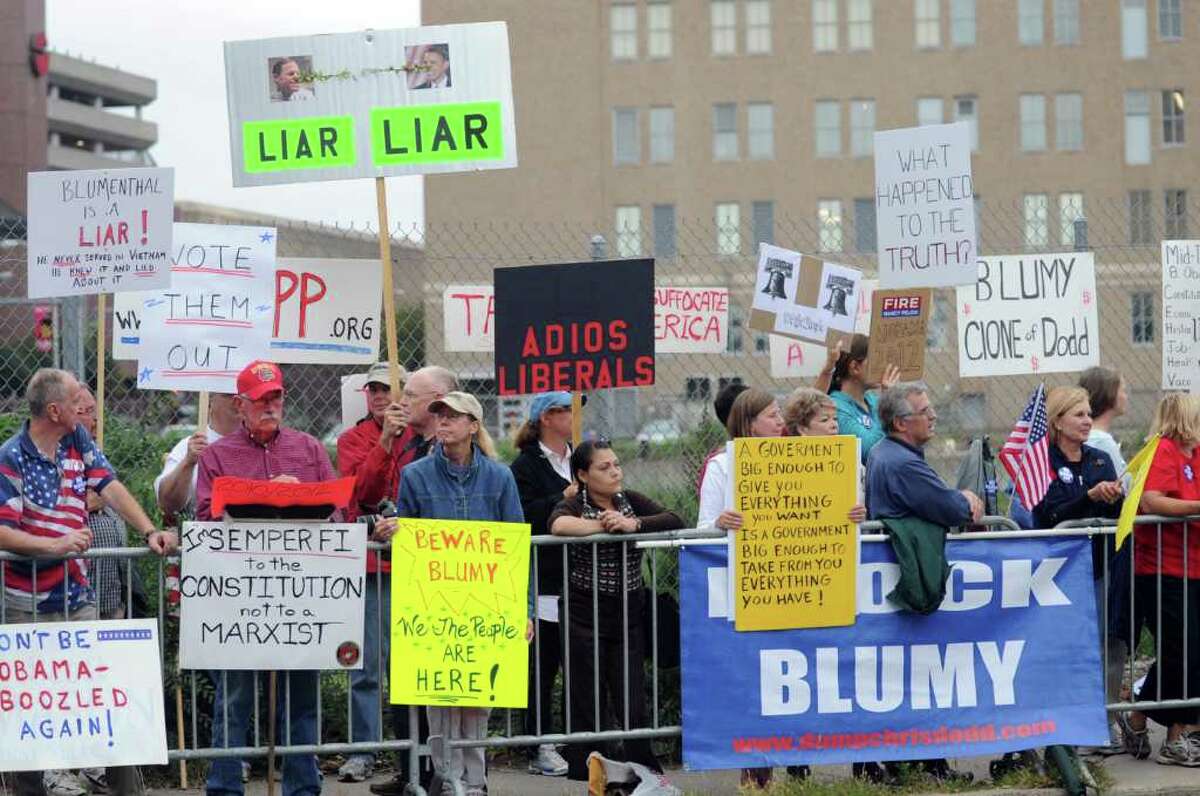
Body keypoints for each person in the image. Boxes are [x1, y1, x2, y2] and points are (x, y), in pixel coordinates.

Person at [0, 368, 177, 796]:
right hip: (25, 603)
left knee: (104, 700)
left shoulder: (78, 441)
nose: (85, 405)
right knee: (29, 710)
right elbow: (2, 530)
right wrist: (54, 543)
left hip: (78, 596)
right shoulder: (11, 457)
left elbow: (110, 486)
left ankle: (124, 789)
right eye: (77, 398)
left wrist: (148, 530)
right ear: (54, 409)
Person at [195, 360, 337, 796]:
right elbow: (205, 516)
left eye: (276, 397)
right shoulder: (217, 455)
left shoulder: (311, 449)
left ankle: (302, 788)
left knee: (300, 698)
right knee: (234, 698)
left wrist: (299, 495)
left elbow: (338, 511)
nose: (270, 406)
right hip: (240, 597)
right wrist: (263, 495)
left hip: (298, 595)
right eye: (261, 400)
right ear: (240, 405)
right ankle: (224, 786)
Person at [379, 391, 531, 796]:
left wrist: (525, 609)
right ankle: (446, 779)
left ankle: (476, 782)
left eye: (454, 416)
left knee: (478, 697)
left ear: (473, 426)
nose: (443, 422)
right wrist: (391, 531)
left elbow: (517, 548)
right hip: (433, 606)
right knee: (438, 698)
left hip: (485, 605)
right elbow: (405, 536)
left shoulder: (500, 477)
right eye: (440, 415)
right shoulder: (415, 476)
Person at [862, 383, 980, 784]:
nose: (933, 416)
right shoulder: (902, 462)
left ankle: (925, 762)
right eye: (924, 411)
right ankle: (917, 764)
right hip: (909, 583)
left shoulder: (889, 452)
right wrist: (964, 499)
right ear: (900, 422)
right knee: (916, 674)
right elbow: (949, 508)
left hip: (903, 579)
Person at [550, 440, 683, 782]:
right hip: (584, 610)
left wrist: (633, 524)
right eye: (604, 467)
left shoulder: (631, 501)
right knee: (586, 691)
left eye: (616, 465)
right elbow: (558, 527)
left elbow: (673, 518)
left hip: (627, 610)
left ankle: (641, 766)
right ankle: (589, 767)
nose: (614, 472)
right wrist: (606, 525)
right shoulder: (573, 504)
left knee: (630, 691)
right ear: (582, 474)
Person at [363, 365, 459, 796]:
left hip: (452, 579)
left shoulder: (451, 448)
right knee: (405, 678)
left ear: (438, 399)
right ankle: (411, 772)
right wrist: (385, 441)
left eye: (412, 395)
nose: (402, 402)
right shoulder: (407, 446)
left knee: (444, 684)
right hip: (410, 575)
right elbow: (365, 495)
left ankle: (450, 772)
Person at [1030, 387, 1126, 756]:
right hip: (1061, 571)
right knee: (1066, 646)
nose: (1087, 421)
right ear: (1057, 421)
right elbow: (1049, 512)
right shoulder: (1045, 461)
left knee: (1110, 641)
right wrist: (1088, 497)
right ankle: (1064, 725)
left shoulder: (1100, 459)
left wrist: (1115, 497)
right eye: (1078, 415)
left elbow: (1118, 514)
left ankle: (1105, 720)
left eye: (1089, 414)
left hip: (1101, 564)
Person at [696, 388, 783, 788]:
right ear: (748, 424)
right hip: (746, 589)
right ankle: (754, 773)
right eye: (771, 415)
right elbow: (700, 529)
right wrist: (720, 524)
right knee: (754, 683)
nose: (781, 421)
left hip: (793, 585)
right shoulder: (722, 466)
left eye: (780, 413)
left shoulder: (800, 460)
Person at [333, 362, 409, 783]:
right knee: (367, 665)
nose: (380, 396)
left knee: (412, 664)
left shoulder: (425, 435)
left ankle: (414, 754)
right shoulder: (352, 439)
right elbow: (361, 493)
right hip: (373, 564)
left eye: (388, 388)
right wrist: (384, 442)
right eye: (373, 389)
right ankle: (363, 751)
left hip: (421, 563)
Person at [1117, 394, 1200, 766]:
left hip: (1193, 565)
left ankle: (1137, 717)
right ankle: (1176, 735)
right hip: (1165, 568)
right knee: (1182, 649)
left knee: (1187, 651)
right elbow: (1152, 501)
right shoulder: (1164, 450)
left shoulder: (1195, 455)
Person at [509, 392, 576, 778]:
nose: (573, 416)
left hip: (578, 577)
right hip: (544, 579)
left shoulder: (580, 458)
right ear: (547, 418)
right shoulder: (525, 466)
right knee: (542, 666)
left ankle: (577, 738)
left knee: (578, 663)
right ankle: (538, 743)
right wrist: (560, 497)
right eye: (567, 409)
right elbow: (524, 515)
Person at [155, 393, 240, 522]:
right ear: (211, 398)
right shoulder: (189, 446)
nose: (237, 400)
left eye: (243, 394)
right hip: (201, 536)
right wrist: (188, 463)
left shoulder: (263, 444)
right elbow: (167, 505)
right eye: (229, 394)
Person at [827, 334, 900, 464]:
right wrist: (888, 402)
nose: (882, 366)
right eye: (876, 361)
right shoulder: (836, 408)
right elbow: (870, 452)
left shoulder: (872, 400)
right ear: (855, 367)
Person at [1079, 367, 1130, 479]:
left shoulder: (1086, 436)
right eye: (1123, 390)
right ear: (1110, 395)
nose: (1126, 397)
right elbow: (1121, 487)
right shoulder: (1102, 442)